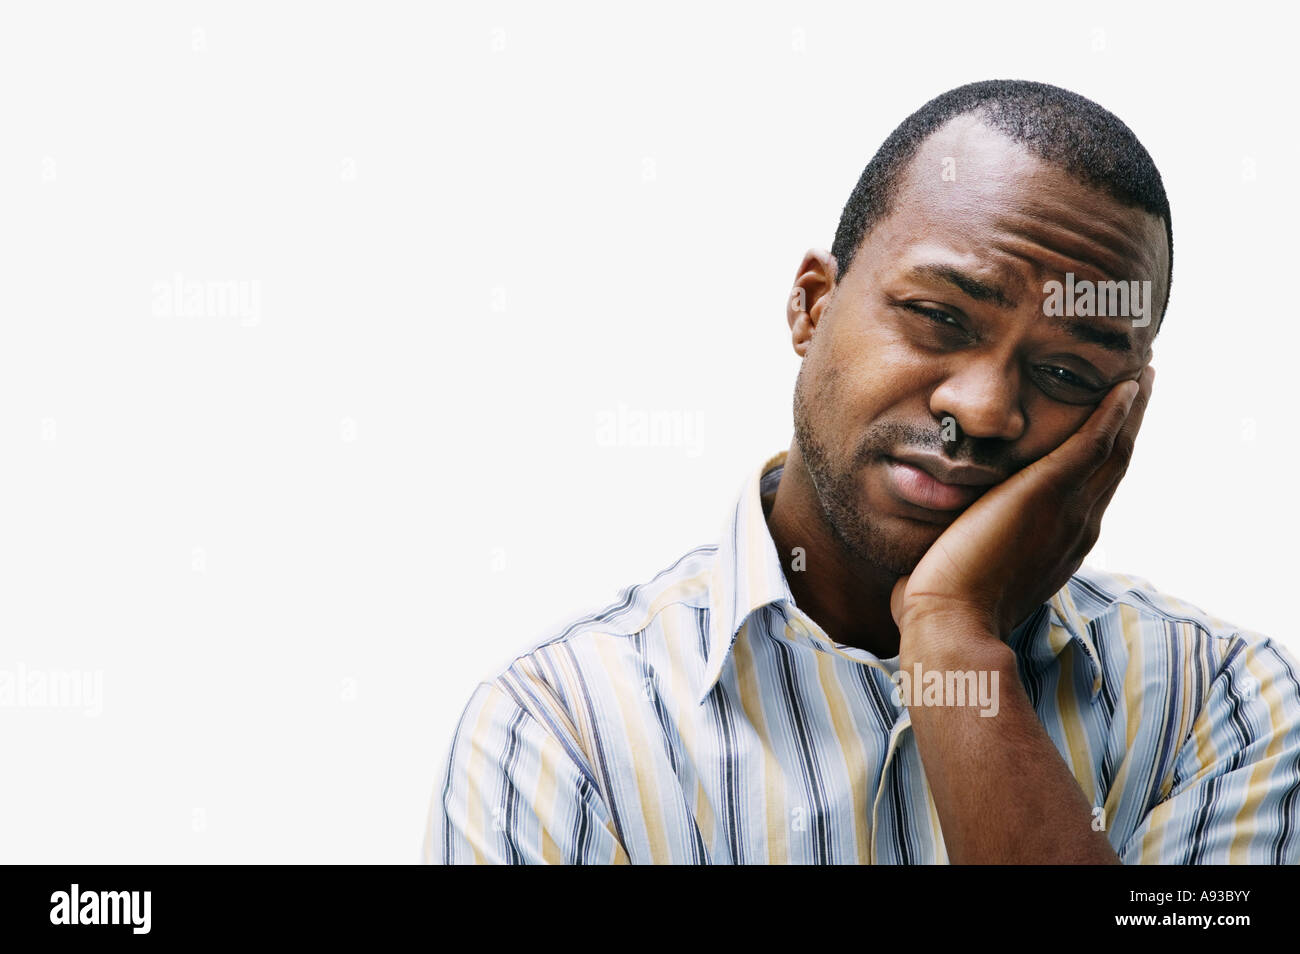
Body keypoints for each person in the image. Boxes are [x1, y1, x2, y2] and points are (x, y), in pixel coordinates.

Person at [425, 79, 1300, 864]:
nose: (986, 407)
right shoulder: (559, 730)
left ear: (1124, 413)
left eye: (1068, 374)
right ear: (811, 304)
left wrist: (953, 631)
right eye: (939, 317)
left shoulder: (1221, 704)